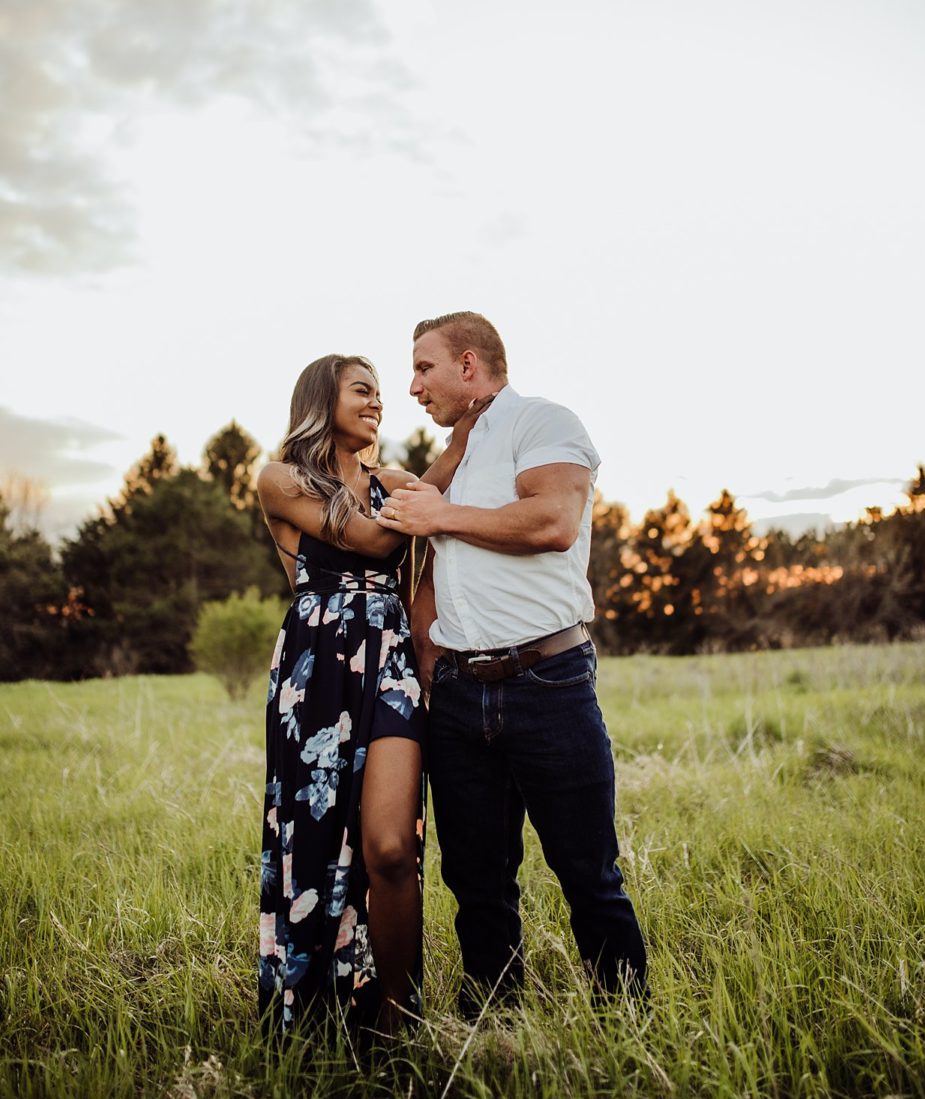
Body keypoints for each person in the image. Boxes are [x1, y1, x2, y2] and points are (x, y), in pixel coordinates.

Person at [377, 312, 648, 1019]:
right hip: (461, 696)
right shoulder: (454, 458)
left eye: (423, 368)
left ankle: (628, 1029)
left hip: (547, 683)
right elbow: (428, 540)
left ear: (468, 365)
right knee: (475, 881)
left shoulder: (542, 421)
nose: (411, 386)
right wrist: (427, 642)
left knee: (588, 875)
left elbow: (551, 522)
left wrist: (438, 515)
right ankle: (493, 1025)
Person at [255, 352, 485, 1039]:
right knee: (316, 838)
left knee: (390, 847)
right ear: (321, 399)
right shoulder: (281, 478)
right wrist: (453, 450)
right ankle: (319, 1009)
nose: (378, 402)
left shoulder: (401, 483)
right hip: (317, 666)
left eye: (380, 393)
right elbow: (370, 537)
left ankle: (398, 1017)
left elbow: (421, 561)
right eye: (362, 390)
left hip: (389, 661)